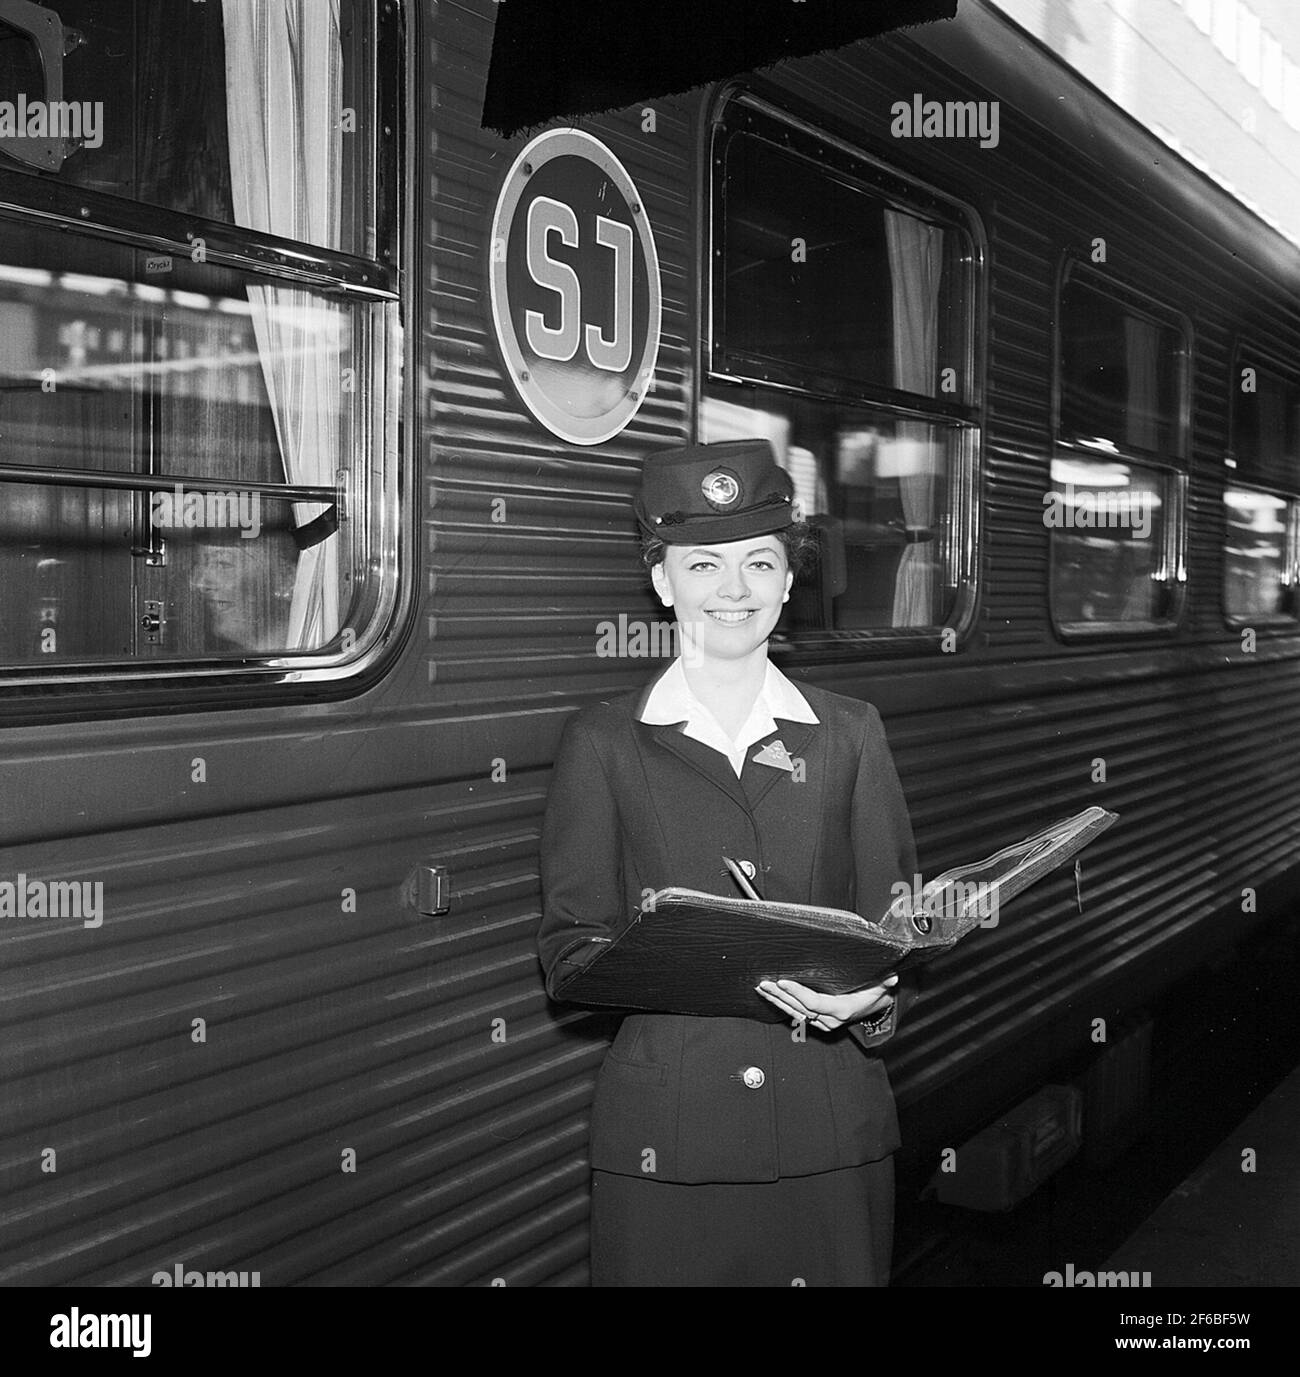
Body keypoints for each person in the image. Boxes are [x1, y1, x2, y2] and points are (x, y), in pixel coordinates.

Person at [537, 439, 918, 1287]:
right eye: (703, 564)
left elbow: (892, 938)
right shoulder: (601, 742)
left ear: (790, 581)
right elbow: (568, 956)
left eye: (760, 562)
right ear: (663, 581)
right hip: (668, 1147)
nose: (734, 590)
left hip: (829, 1137)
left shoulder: (853, 734)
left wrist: (871, 1003)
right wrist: (698, 952)